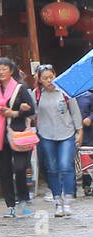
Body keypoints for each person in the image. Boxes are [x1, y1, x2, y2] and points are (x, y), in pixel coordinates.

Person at [0, 58, 36, 218]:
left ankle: (23, 199)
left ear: (11, 71)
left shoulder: (20, 89)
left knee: (20, 167)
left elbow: (32, 111)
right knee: (5, 172)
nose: (1, 72)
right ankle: (10, 205)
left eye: (4, 69)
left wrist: (16, 112)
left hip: (18, 135)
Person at [34, 65, 81, 217]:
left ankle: (67, 200)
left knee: (65, 165)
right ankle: (57, 201)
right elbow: (31, 115)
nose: (49, 80)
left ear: (55, 75)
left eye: (51, 77)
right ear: (39, 80)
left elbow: (75, 112)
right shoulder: (36, 95)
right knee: (52, 168)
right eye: (45, 78)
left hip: (66, 133)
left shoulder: (65, 92)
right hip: (46, 135)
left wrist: (80, 131)